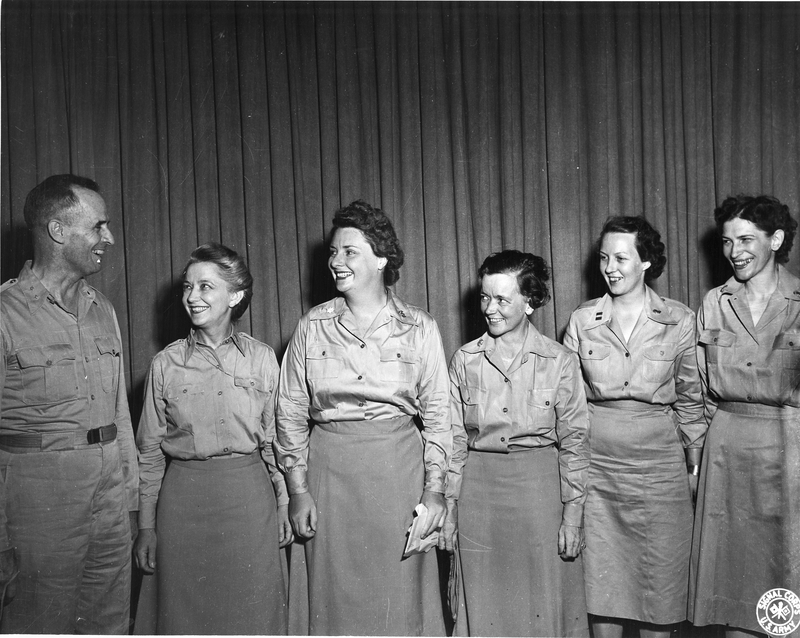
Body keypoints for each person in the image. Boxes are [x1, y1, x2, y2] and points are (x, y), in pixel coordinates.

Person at [276, 200, 451, 635]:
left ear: (381, 258)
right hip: (329, 478)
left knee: (399, 599)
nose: (336, 261)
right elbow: (290, 414)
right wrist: (298, 490)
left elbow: (439, 418)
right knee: (333, 602)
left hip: (398, 477)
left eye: (349, 251)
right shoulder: (311, 326)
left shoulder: (420, 327)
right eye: (333, 252)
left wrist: (434, 492)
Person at [0, 174, 138, 633]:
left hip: (109, 498)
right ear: (58, 231)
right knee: (41, 621)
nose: (109, 238)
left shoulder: (103, 310)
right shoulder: (5, 313)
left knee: (109, 621)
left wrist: (130, 503)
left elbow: (120, 415)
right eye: (98, 227)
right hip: (38, 499)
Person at [134, 242, 291, 634]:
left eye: (206, 287)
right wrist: (146, 527)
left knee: (251, 616)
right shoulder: (165, 363)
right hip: (183, 504)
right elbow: (149, 452)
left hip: (249, 503)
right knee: (184, 617)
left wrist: (285, 499)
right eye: (188, 287)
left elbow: (275, 439)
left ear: (235, 296)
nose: (192, 297)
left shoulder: (261, 358)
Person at [563, 216, 705, 638]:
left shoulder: (679, 319)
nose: (610, 267)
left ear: (646, 262)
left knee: (660, 586)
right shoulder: (582, 320)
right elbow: (570, 405)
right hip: (598, 467)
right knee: (601, 587)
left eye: (621, 257)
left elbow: (692, 401)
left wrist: (693, 467)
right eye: (605, 257)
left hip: (660, 468)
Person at [443, 250, 590, 637]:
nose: (490, 309)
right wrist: (449, 505)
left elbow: (575, 441)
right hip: (479, 494)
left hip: (539, 491)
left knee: (543, 601)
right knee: (484, 604)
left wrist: (573, 515)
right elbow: (455, 440)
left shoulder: (560, 361)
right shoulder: (464, 360)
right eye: (484, 297)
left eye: (503, 299)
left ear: (530, 301)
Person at [690, 195, 800, 638]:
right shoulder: (714, 303)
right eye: (727, 241)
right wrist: (695, 462)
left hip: (790, 451)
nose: (735, 251)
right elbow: (696, 391)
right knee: (733, 587)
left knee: (785, 583)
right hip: (726, 451)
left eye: (747, 239)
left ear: (775, 240)